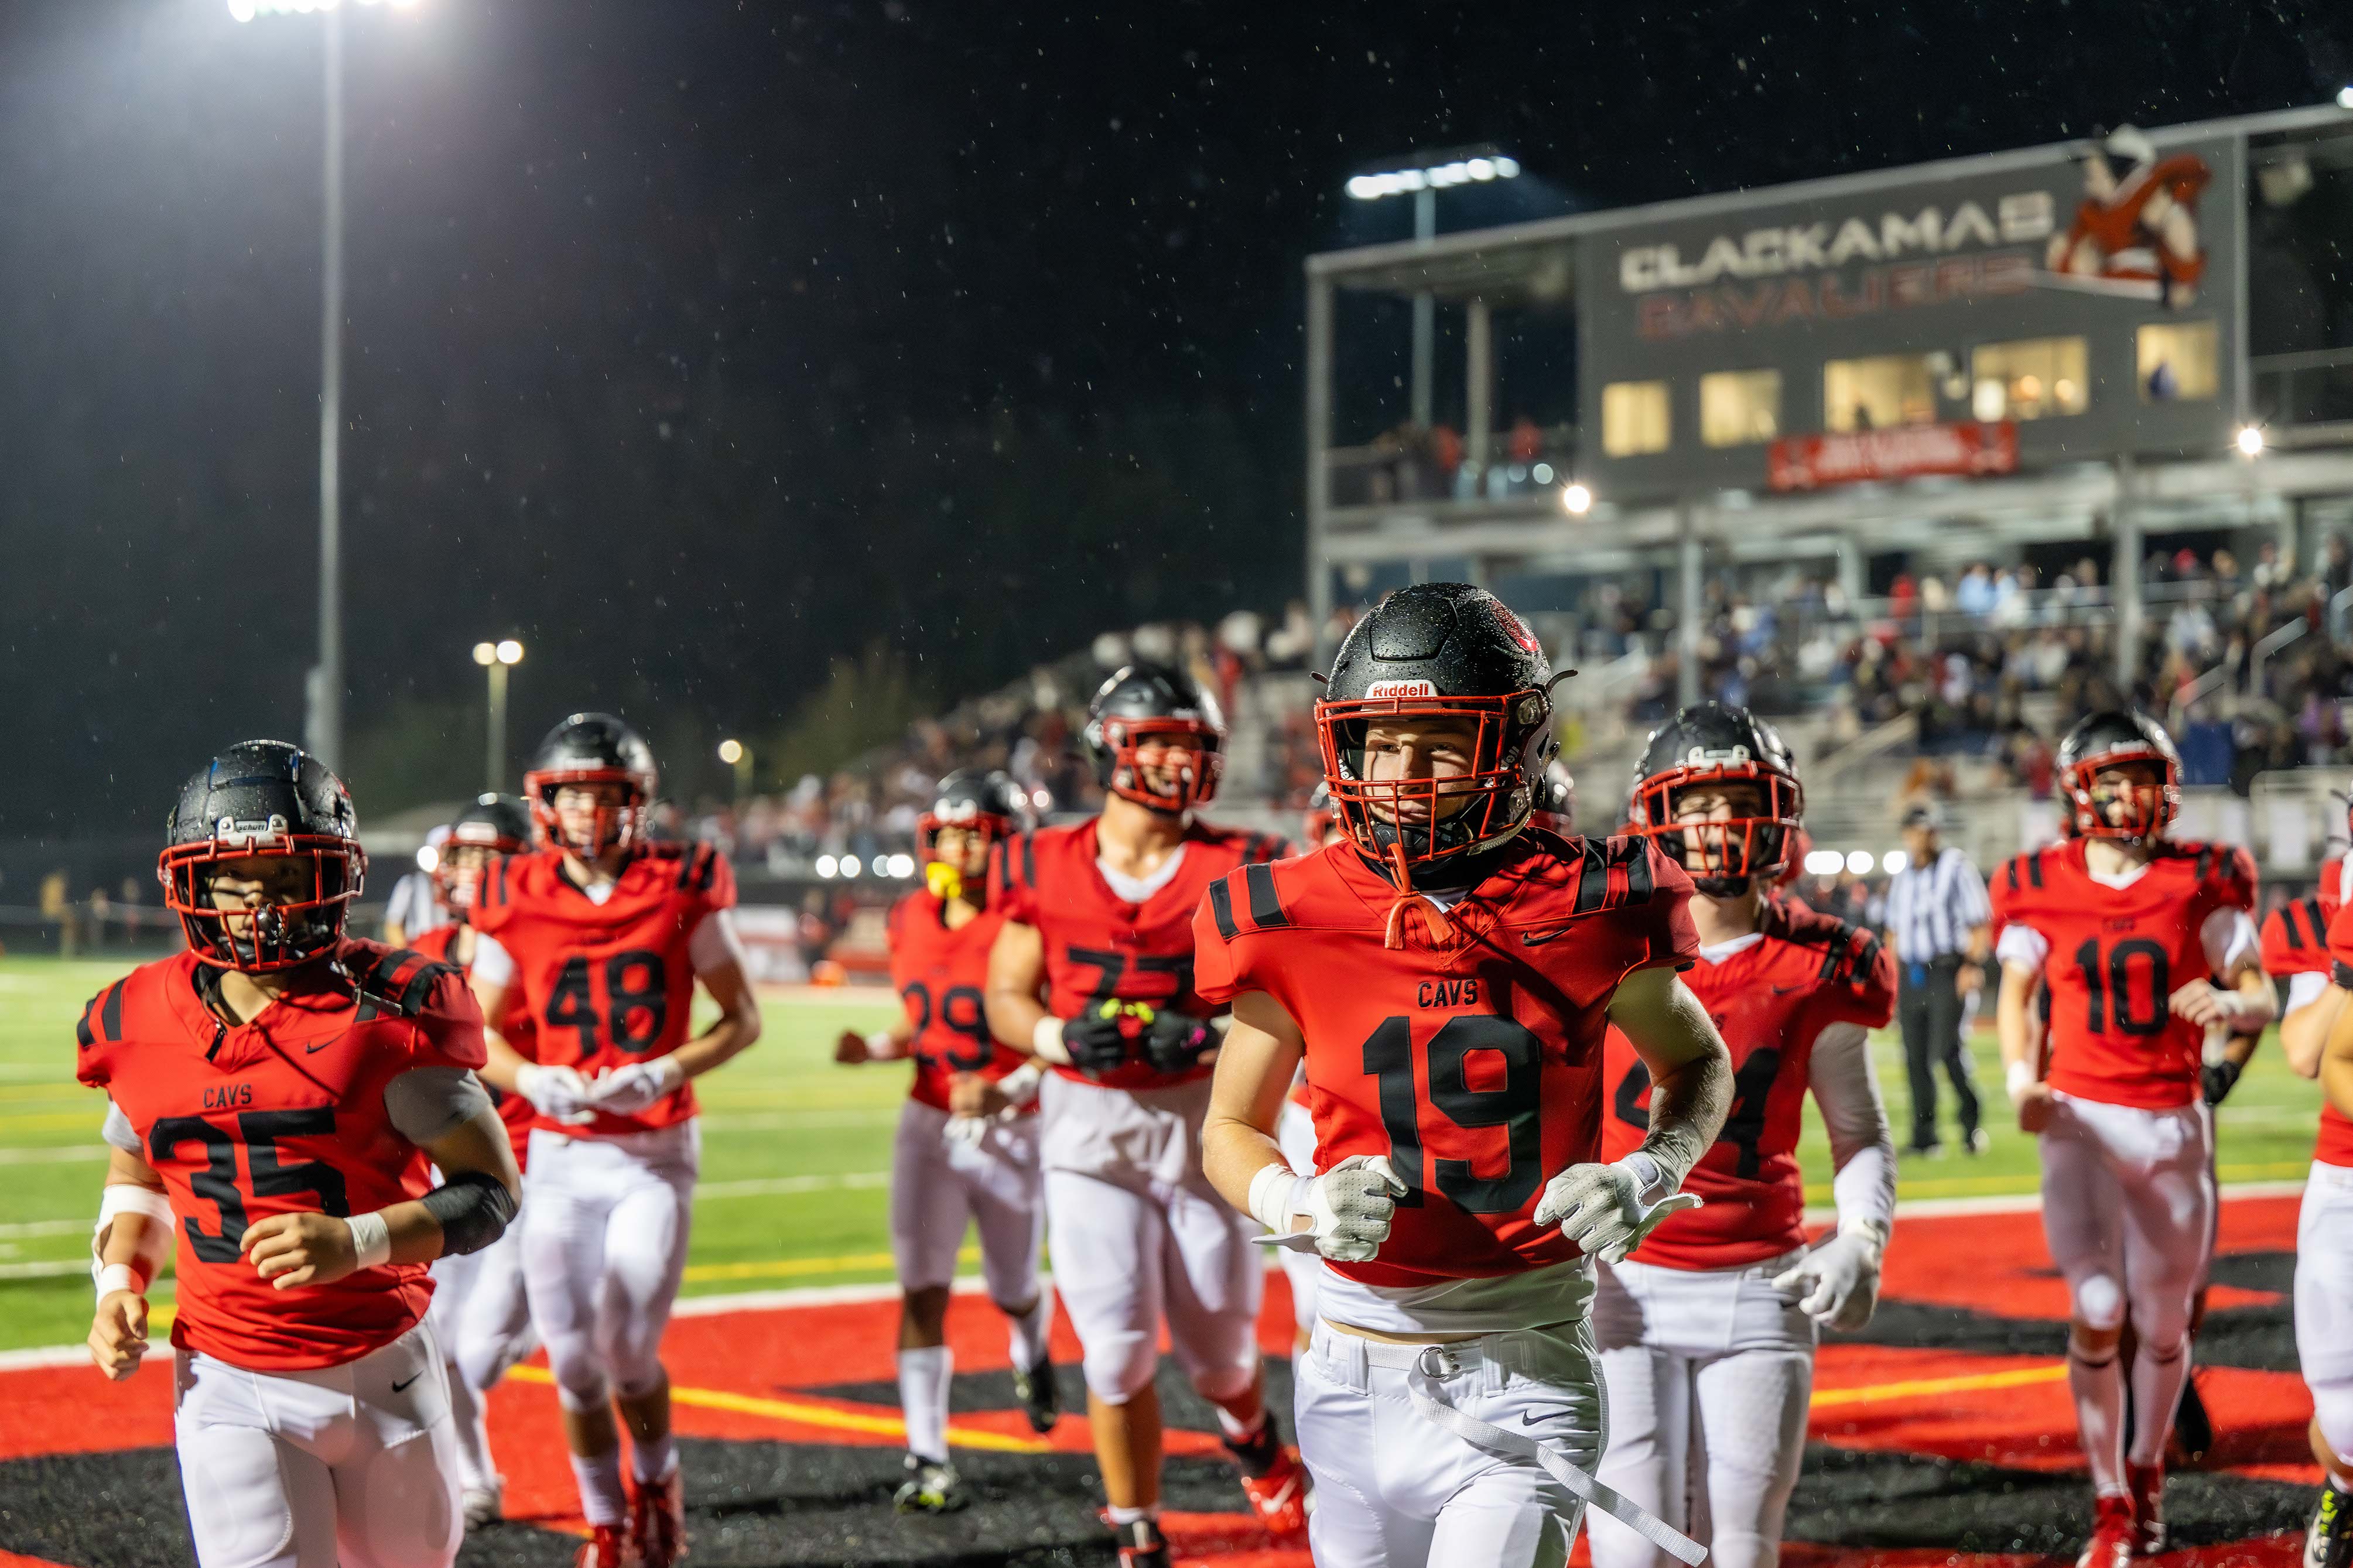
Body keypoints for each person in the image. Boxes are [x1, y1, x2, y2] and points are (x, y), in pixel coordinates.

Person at [1195, 583, 1733, 1568]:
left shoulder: (1597, 899)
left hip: (1521, 1362)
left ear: (1516, 745)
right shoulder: (1288, 910)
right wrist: (1295, 1196)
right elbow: (1229, 1125)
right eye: (1379, 740)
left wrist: (1648, 1171)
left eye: (1439, 739)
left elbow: (1696, 1061)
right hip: (1346, 1371)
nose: (1400, 772)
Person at [80, 740, 522, 1568]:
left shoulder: (389, 1011)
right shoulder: (136, 1019)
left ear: (333, 875)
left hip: (385, 1362)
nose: (262, 903)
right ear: (195, 882)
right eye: (235, 876)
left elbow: (492, 1191)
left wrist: (355, 1240)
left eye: (287, 875)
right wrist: (116, 1286)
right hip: (227, 1372)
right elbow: (138, 1178)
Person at [981, 662, 1303, 1567]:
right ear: (1108, 746)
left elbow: (1284, 1000)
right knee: (1115, 1348)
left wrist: (1203, 1041)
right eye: (1159, 739)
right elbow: (1006, 991)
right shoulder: (1041, 859)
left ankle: (1250, 1434)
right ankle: (1136, 1523)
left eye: (1191, 744)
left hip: (1207, 1126)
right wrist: (1052, 1033)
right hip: (1087, 1129)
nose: (1178, 761)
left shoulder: (1237, 860)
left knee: (1218, 1355)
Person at [1592, 703, 1899, 1568]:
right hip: (1621, 1274)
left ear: (1777, 812)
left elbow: (1857, 1126)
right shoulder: (1599, 934)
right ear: (1656, 816)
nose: (1718, 822)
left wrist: (1863, 1238)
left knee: (1741, 1542)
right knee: (1629, 1543)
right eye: (1696, 803)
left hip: (1758, 1279)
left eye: (1736, 799)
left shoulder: (1822, 958)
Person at [468, 714, 764, 1568]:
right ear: (545, 803)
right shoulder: (514, 890)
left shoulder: (683, 881)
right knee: (572, 1361)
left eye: (609, 796)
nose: (593, 813)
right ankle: (605, 1523)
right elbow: (478, 1032)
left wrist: (666, 1069)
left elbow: (741, 1018)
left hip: (653, 1150)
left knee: (629, 1346)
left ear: (639, 802)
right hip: (559, 1151)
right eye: (576, 795)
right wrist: (530, 1080)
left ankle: (656, 1478)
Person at [1991, 710, 2271, 1568]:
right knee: (2095, 1306)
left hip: (2172, 1121)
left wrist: (2230, 1006)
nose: (2134, 795)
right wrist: (2018, 1078)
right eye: (2114, 778)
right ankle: (2109, 1494)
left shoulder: (2203, 877)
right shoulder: (2036, 880)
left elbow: (2257, 989)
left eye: (2146, 776)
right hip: (2078, 1119)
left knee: (2159, 1322)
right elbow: (2016, 992)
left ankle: (2145, 1477)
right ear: (2080, 789)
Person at [835, 769, 1058, 1514]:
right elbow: (921, 1028)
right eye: (949, 832)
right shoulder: (907, 917)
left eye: (975, 834)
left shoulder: (1030, 923)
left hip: (1010, 1129)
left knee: (1010, 1287)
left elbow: (1060, 1040)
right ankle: (928, 1454)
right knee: (922, 1289)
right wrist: (872, 1045)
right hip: (926, 1122)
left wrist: (1005, 1088)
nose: (958, 848)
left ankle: (1032, 1344)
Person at [409, 793, 542, 1527]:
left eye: (489, 857)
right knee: (440, 1345)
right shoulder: (424, 946)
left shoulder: (547, 945)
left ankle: (567, 1297)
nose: (469, 871)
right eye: (462, 854)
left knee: (480, 1349)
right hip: (451, 1174)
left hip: (539, 1166)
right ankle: (476, 1476)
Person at [2267, 844, 2353, 1568]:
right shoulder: (2332, 911)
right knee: (2345, 1416)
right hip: (2348, 1174)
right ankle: (2340, 1485)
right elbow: (2320, 1055)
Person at [1881, 802, 1992, 1156]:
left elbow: (1979, 921)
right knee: (1914, 1056)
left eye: (1926, 830)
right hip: (1913, 973)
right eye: (1914, 830)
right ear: (1906, 834)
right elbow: (1893, 932)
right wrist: (1893, 979)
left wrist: (1972, 965)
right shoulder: (1902, 877)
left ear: (1935, 833)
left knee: (1946, 1049)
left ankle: (1970, 1124)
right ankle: (1925, 1135)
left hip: (1947, 969)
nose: (1920, 838)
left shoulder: (1956, 867)